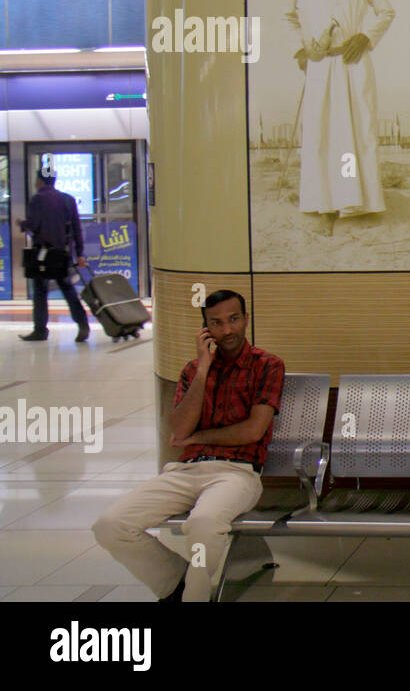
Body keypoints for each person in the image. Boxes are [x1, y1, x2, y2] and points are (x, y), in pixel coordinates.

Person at [92, 290, 284, 602]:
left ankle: (194, 598)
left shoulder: (267, 365)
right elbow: (179, 428)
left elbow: (253, 430)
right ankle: (174, 584)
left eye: (234, 319)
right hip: (184, 471)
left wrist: (198, 438)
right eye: (217, 323)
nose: (227, 330)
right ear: (206, 329)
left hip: (237, 474)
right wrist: (204, 370)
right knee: (110, 525)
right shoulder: (192, 371)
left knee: (203, 524)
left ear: (246, 320)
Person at [285, 0, 395, 230]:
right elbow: (286, 15)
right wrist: (302, 48)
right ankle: (323, 207)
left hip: (354, 63)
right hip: (320, 66)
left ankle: (360, 205)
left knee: (358, 131)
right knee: (321, 134)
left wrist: (366, 37)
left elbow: (386, 10)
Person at [18, 166, 90, 342]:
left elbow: (34, 226)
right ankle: (83, 325)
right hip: (62, 255)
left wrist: (22, 224)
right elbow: (76, 229)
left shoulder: (37, 199)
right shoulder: (68, 200)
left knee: (40, 291)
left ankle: (40, 330)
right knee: (68, 290)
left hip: (42, 255)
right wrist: (79, 253)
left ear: (39, 181)